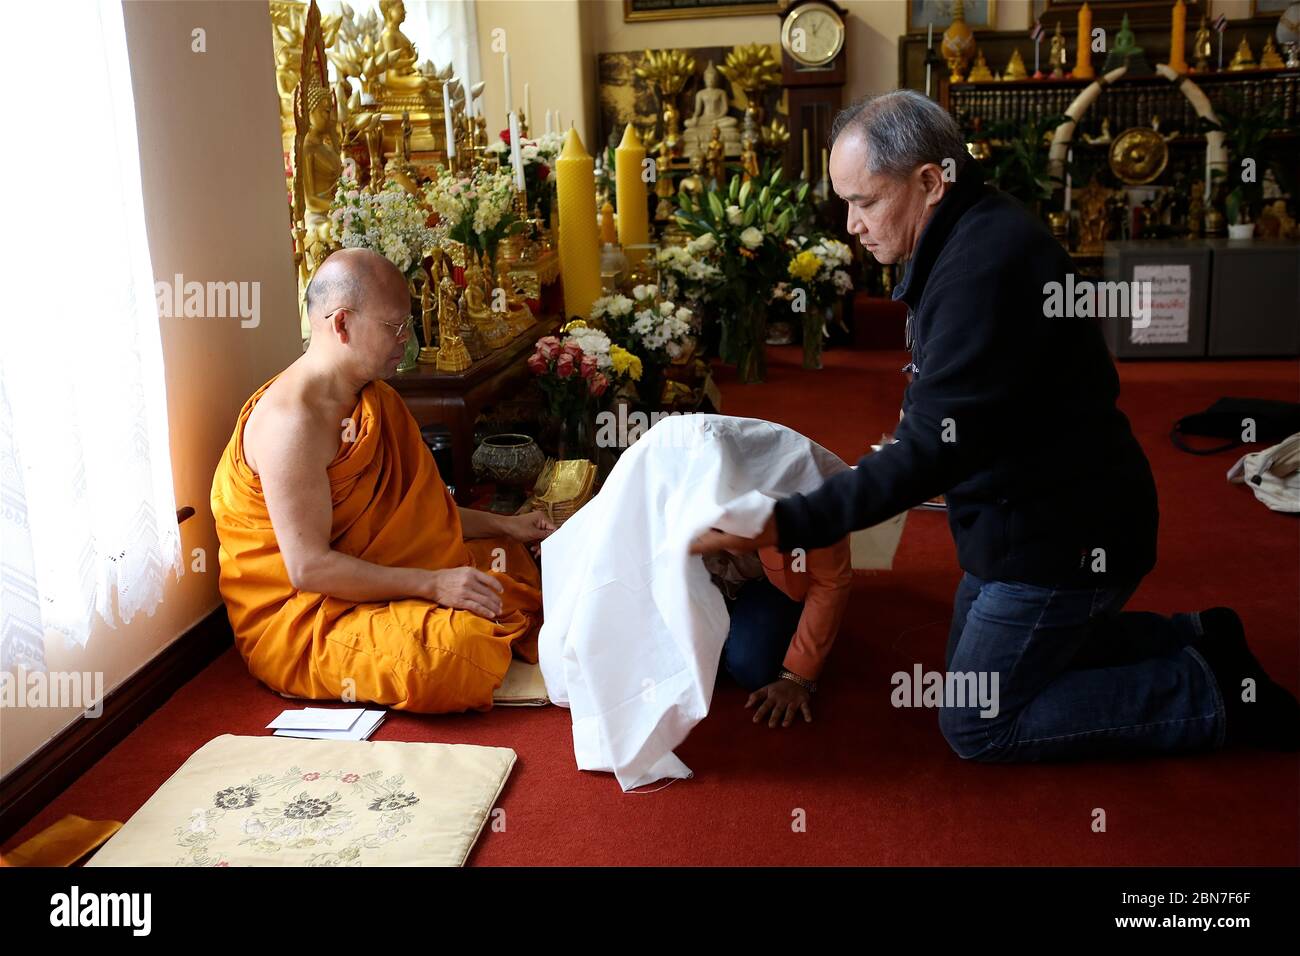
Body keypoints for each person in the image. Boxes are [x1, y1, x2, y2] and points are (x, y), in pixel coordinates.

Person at [693, 90, 1299, 759]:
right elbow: (954, 422)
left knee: (976, 724)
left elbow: (927, 451)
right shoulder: (970, 232)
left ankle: (1209, 690)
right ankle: (1193, 634)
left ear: (929, 181)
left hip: (1063, 538)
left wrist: (786, 522)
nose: (851, 225)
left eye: (864, 201)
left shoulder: (985, 267)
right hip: (1031, 518)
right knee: (980, 672)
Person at [211, 248, 553, 712]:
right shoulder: (292, 423)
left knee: (508, 564)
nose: (406, 340)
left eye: (407, 324)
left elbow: (416, 516)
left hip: (370, 583)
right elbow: (309, 570)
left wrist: (508, 525)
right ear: (341, 324)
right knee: (453, 654)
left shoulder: (375, 400)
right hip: (310, 615)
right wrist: (434, 586)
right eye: (394, 326)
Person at [704, 535, 852, 729]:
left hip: (771, 580)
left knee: (753, 669)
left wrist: (798, 674)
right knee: (693, 666)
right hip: (699, 576)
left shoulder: (814, 510)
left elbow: (829, 582)